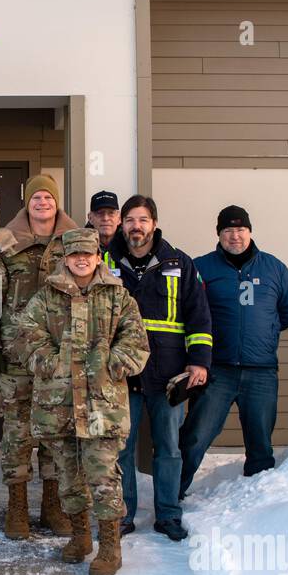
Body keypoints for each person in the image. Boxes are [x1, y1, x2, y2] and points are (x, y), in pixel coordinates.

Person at [16, 228, 149, 575]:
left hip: (102, 404)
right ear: (65, 257)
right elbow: (28, 334)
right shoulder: (47, 296)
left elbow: (135, 339)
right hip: (58, 401)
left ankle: (110, 546)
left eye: (86, 254)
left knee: (103, 475)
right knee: (68, 475)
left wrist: (113, 363)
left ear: (96, 256)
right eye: (74, 255)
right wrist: (48, 362)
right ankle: (79, 537)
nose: (81, 260)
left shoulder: (118, 298)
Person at [0, 174, 81, 539]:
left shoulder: (75, 243)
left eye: (47, 197)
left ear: (57, 203)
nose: (42, 203)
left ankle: (52, 506)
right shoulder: (4, 245)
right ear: (26, 203)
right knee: (17, 432)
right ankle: (17, 508)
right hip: (15, 354)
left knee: (56, 432)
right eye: (35, 197)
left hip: (59, 355)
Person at [105, 196, 211, 540]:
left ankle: (168, 515)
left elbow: (198, 315)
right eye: (130, 220)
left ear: (154, 224)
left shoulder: (179, 263)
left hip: (168, 374)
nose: (136, 226)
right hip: (120, 374)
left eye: (143, 220)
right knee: (120, 448)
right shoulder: (104, 262)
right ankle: (122, 516)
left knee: (168, 448)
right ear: (122, 225)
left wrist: (199, 362)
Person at [179, 205, 288, 495]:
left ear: (250, 231)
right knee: (195, 437)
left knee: (260, 442)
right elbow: (186, 310)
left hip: (261, 371)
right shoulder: (201, 267)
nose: (235, 236)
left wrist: (264, 333)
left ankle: (257, 501)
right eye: (228, 230)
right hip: (216, 369)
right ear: (219, 234)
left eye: (240, 229)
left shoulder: (274, 267)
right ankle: (172, 496)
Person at [87, 189, 121, 269]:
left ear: (119, 218)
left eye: (111, 213)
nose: (105, 218)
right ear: (90, 218)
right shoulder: (79, 247)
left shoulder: (130, 246)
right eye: (100, 213)